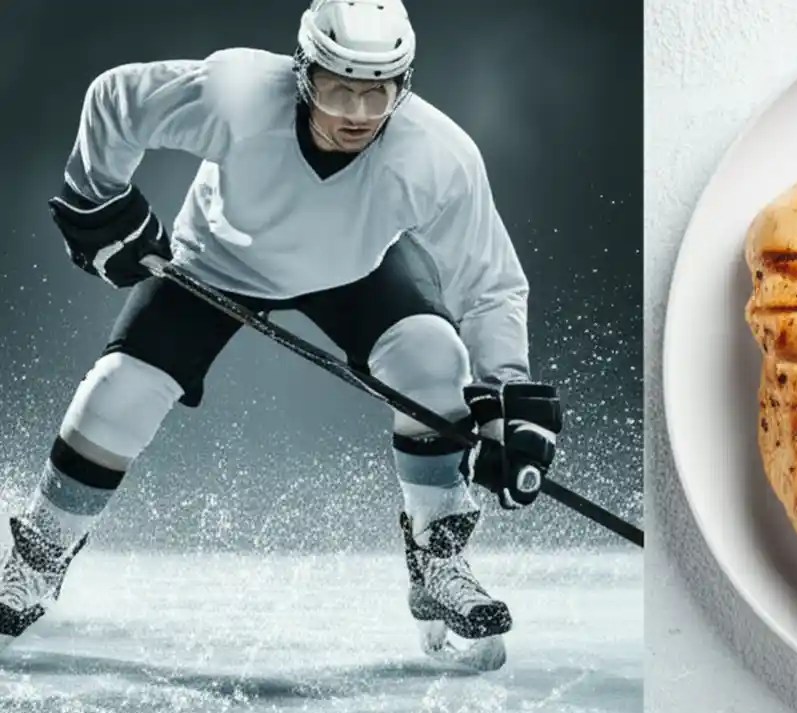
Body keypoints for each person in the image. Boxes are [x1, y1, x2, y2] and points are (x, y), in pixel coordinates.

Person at [0, 0, 562, 671]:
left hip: (358, 265)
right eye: (337, 88)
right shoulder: (236, 94)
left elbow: (492, 285)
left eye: (377, 91)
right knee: (116, 394)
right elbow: (116, 100)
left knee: (435, 358)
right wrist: (96, 195)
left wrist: (505, 396)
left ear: (403, 86)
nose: (356, 112)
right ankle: (36, 560)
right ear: (303, 74)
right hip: (215, 261)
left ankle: (438, 563)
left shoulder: (440, 156)